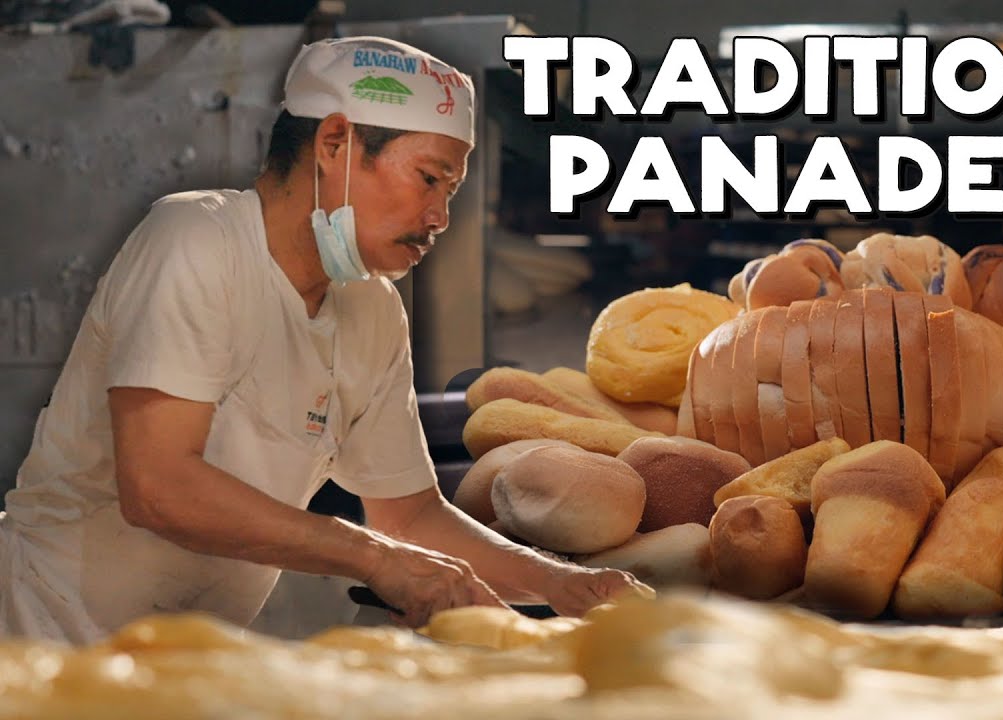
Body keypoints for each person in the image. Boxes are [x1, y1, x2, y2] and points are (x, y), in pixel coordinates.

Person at [0, 36, 649, 643]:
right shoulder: (198, 241)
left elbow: (410, 518)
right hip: (43, 638)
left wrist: (563, 583)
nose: (440, 217)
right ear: (335, 143)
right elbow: (158, 487)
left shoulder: (372, 310)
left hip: (178, 660)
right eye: (429, 178)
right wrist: (374, 557)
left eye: (450, 190)